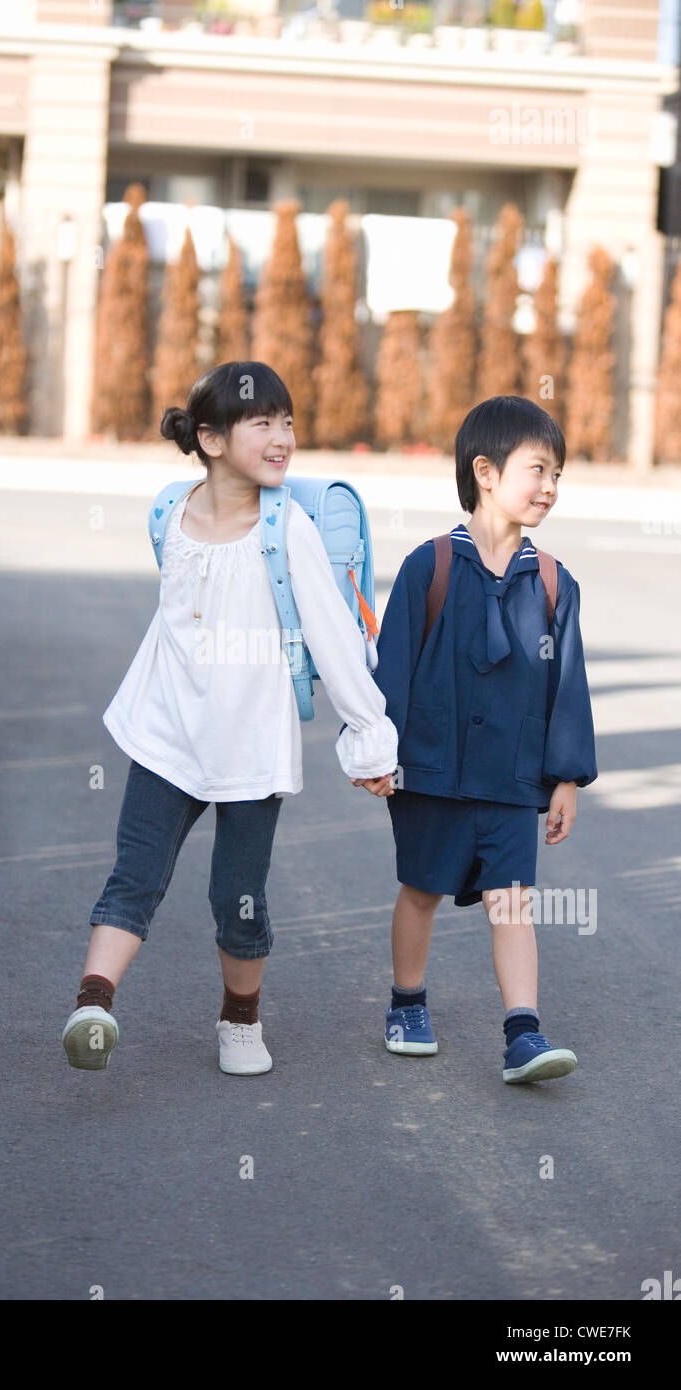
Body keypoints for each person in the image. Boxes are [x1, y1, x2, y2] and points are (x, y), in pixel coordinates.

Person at [62, 361, 399, 1077]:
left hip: (251, 745)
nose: (283, 437)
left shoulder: (289, 529)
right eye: (263, 423)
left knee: (235, 895)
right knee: (135, 874)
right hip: (165, 731)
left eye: (288, 422)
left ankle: (240, 1019)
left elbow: (338, 642)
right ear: (211, 439)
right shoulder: (171, 515)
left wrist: (369, 739)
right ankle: (94, 1006)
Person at [359, 395, 597, 1083]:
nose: (551, 487)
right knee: (421, 891)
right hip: (430, 769)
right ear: (486, 472)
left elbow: (568, 687)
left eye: (559, 475)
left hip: (511, 775)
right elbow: (392, 668)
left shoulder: (553, 583)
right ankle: (407, 1002)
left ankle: (523, 1032)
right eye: (539, 469)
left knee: (512, 899)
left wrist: (564, 779)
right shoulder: (428, 568)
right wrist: (377, 753)